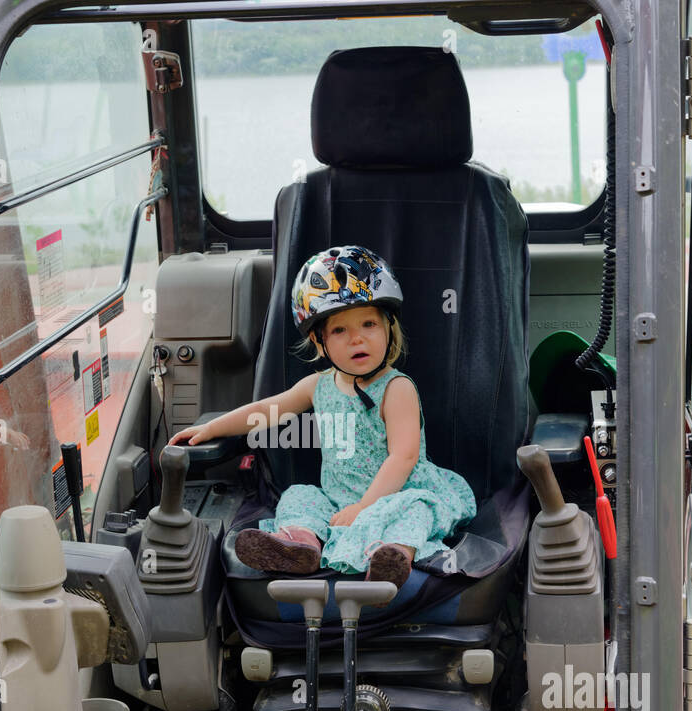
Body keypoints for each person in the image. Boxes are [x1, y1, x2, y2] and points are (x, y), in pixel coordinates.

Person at [170, 245, 475, 592]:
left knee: (414, 512)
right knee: (300, 496)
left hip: (396, 494)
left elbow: (403, 457)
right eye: (340, 330)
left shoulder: (396, 388)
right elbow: (265, 411)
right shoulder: (318, 385)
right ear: (320, 340)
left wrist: (365, 507)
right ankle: (299, 546)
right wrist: (212, 426)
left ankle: (391, 558)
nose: (357, 337)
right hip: (338, 501)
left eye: (369, 323)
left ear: (389, 328)